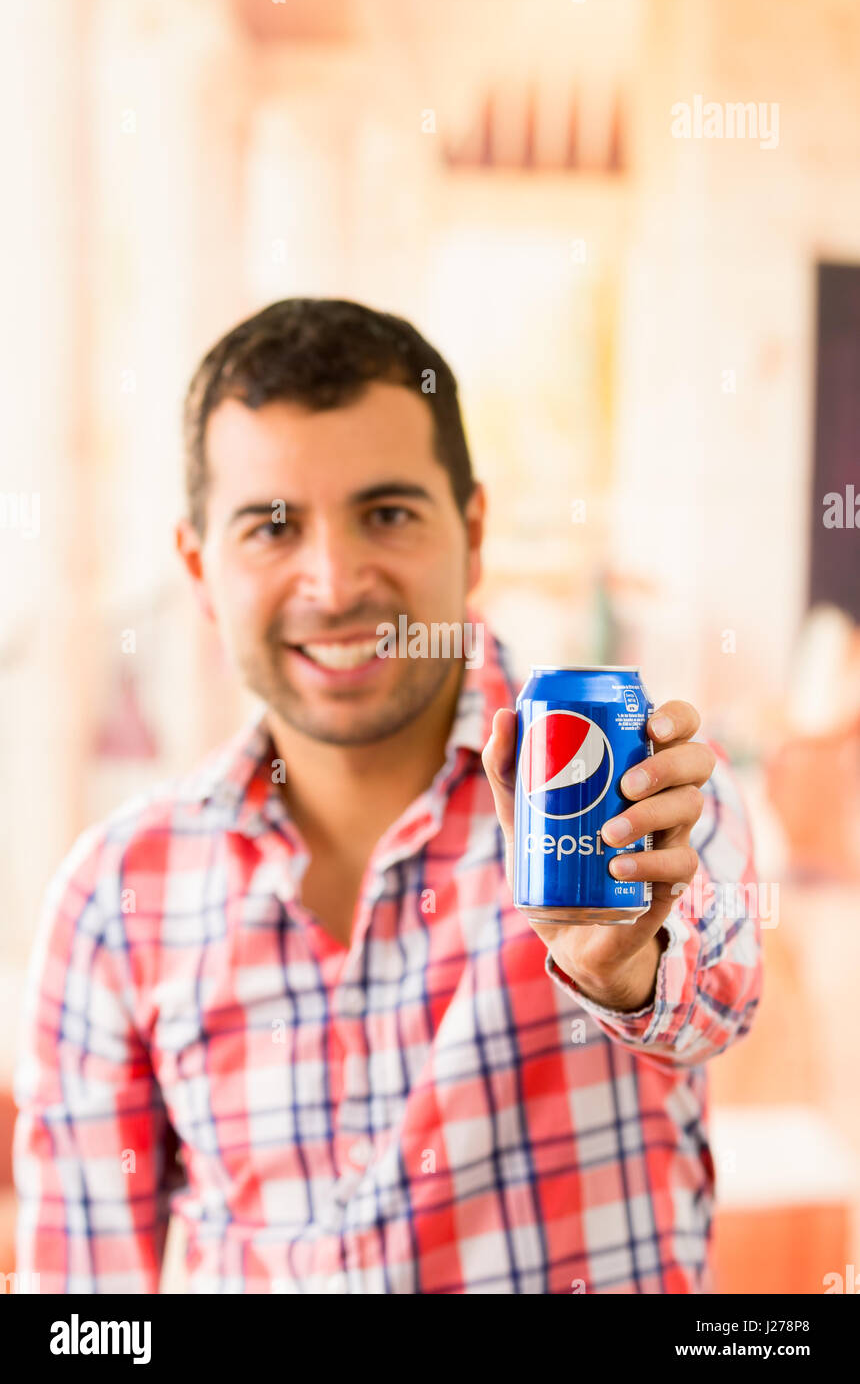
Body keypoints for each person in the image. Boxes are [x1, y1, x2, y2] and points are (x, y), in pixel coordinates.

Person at [13, 299, 762, 1294]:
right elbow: (88, 1299)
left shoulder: (638, 786)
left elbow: (711, 999)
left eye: (387, 513)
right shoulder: (113, 896)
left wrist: (621, 967)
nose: (333, 581)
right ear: (198, 567)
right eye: (270, 525)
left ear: (473, 531)